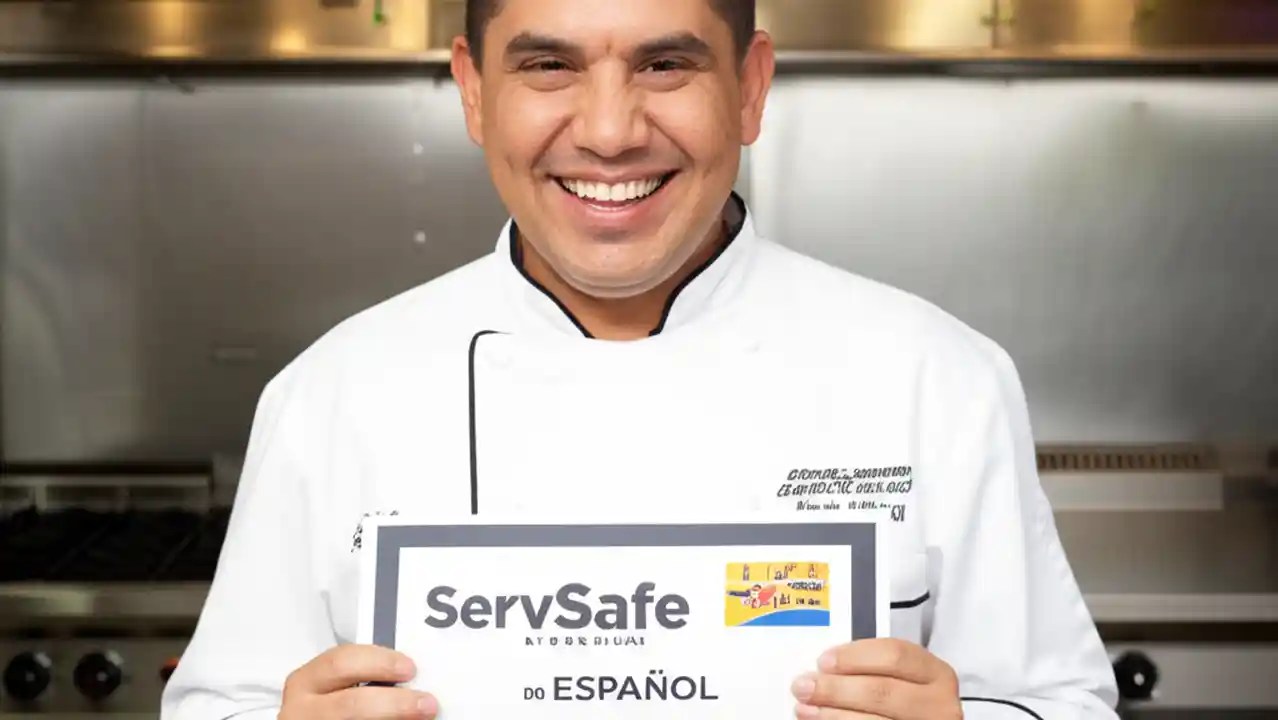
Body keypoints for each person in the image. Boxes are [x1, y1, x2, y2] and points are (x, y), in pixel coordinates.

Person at [160, 0, 1121, 718]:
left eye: (666, 66)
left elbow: (1065, 704)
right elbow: (216, 706)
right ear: (474, 92)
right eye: (548, 66)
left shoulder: (939, 377)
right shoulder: (332, 394)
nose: (612, 131)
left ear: (748, 88)